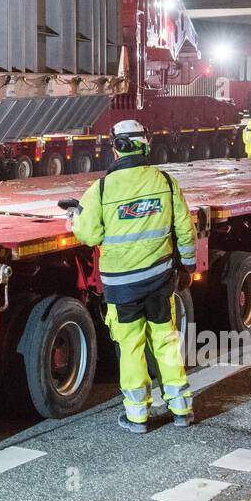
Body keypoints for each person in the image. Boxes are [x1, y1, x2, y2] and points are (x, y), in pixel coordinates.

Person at [71, 120, 197, 433]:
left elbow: (88, 234)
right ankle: (182, 409)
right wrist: (189, 267)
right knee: (165, 341)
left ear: (116, 148)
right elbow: (185, 230)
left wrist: (75, 216)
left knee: (131, 347)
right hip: (158, 280)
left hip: (121, 285)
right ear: (144, 146)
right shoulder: (165, 182)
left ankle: (137, 416)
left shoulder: (100, 189)